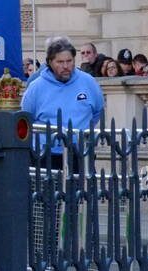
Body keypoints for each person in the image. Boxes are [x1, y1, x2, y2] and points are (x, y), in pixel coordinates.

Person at [22, 36, 105, 172]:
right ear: (50, 62)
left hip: (80, 153)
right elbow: (26, 118)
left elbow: (97, 112)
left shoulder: (88, 82)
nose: (65, 66)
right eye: (60, 62)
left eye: (69, 61)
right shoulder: (35, 87)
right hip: (46, 156)